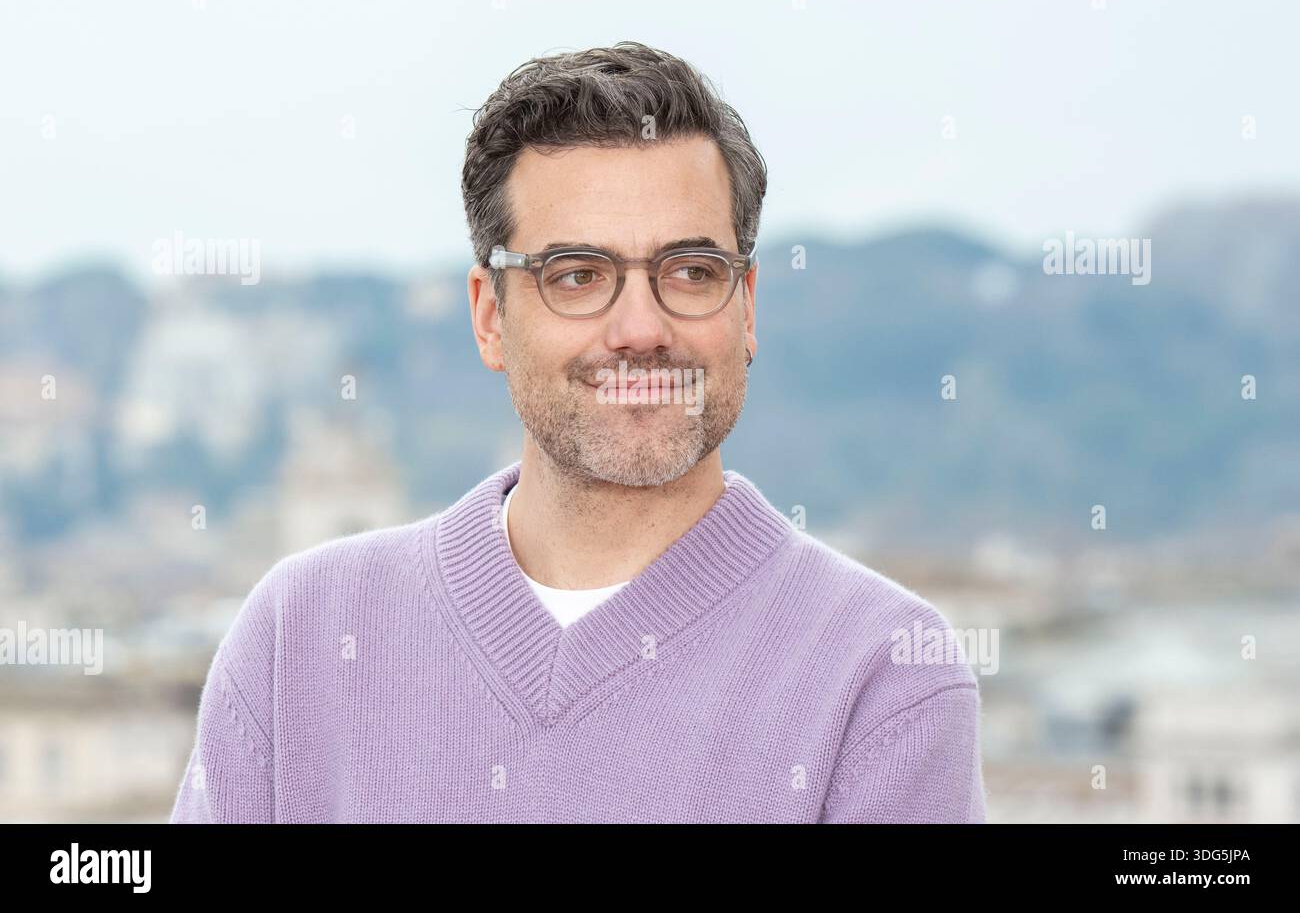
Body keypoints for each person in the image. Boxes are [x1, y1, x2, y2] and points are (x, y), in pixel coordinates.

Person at [170, 41, 986, 823]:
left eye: (692, 271)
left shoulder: (883, 675)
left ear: (747, 307)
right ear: (491, 317)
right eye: (577, 277)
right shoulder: (299, 638)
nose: (639, 327)